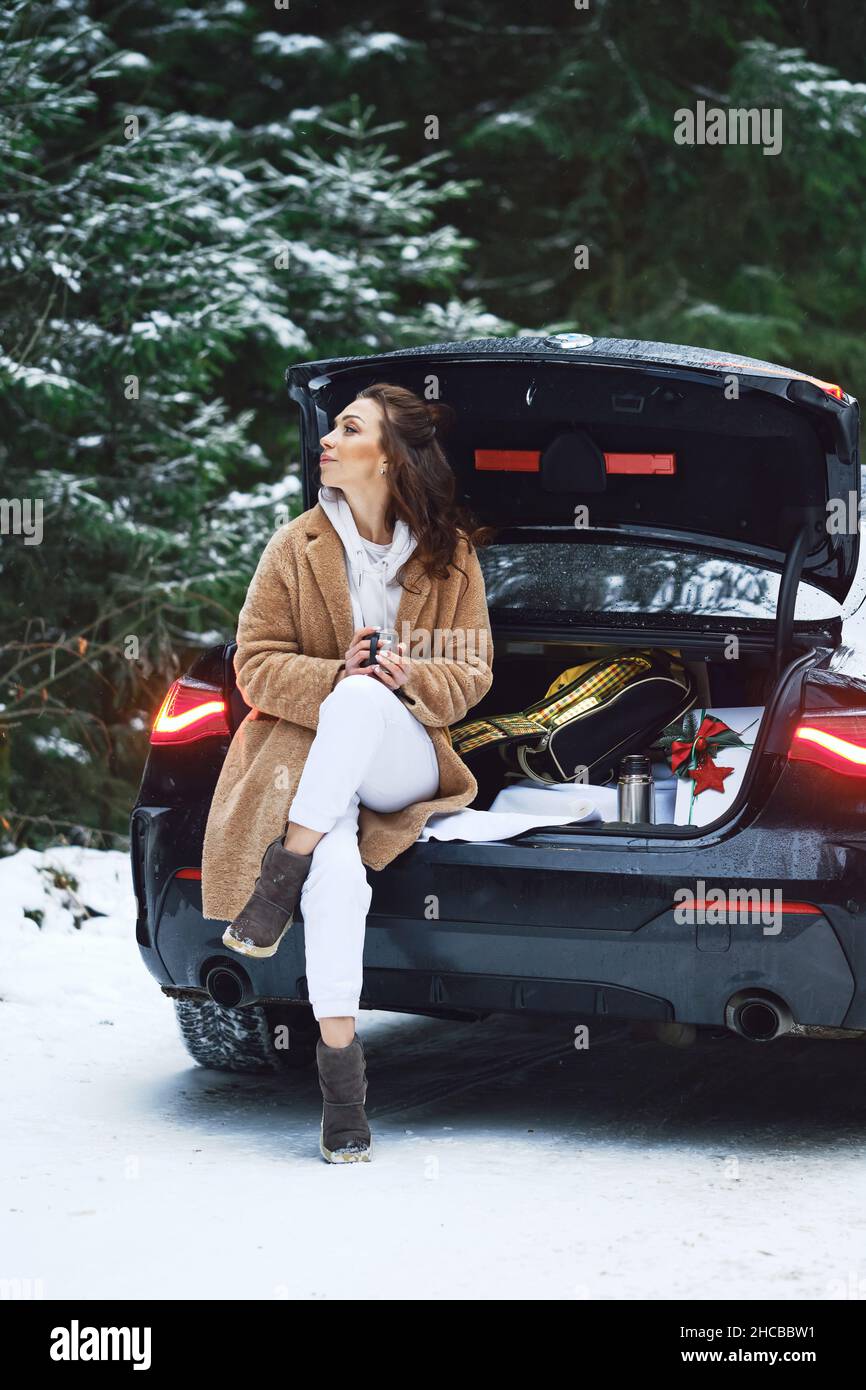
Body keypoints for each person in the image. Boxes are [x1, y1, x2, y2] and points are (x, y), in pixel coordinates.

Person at [200, 382, 495, 1163]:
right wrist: (336, 672)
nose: (326, 439)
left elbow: (472, 673)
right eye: (331, 427)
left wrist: (402, 677)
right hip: (309, 762)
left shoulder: (451, 557)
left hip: (399, 759)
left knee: (365, 698)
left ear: (389, 456)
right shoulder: (293, 546)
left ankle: (277, 874)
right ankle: (344, 1095)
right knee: (341, 880)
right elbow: (254, 667)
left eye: (349, 428)